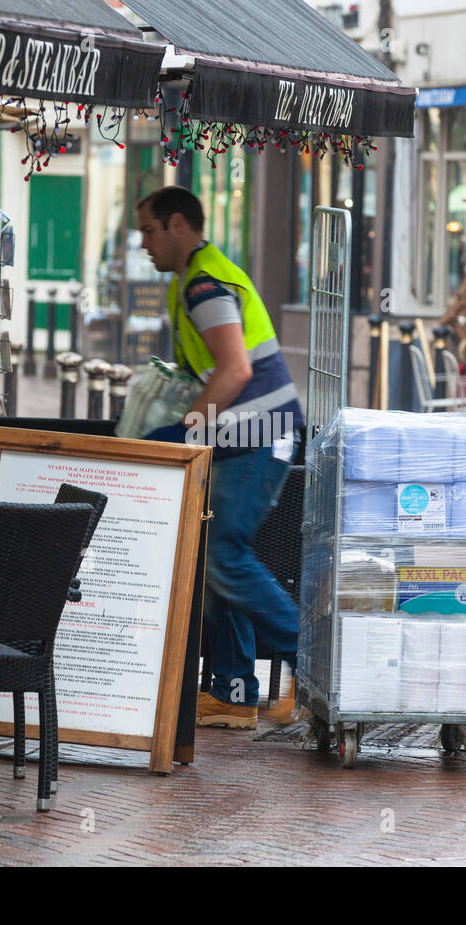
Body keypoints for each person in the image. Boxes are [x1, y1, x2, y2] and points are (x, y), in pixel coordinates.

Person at [135, 186, 305, 730]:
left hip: (261, 435)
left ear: (177, 225)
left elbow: (235, 371)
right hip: (238, 435)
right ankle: (234, 693)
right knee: (214, 555)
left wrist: (186, 431)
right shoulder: (189, 280)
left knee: (224, 555)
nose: (144, 244)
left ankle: (316, 667)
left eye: (149, 231)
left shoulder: (206, 283)